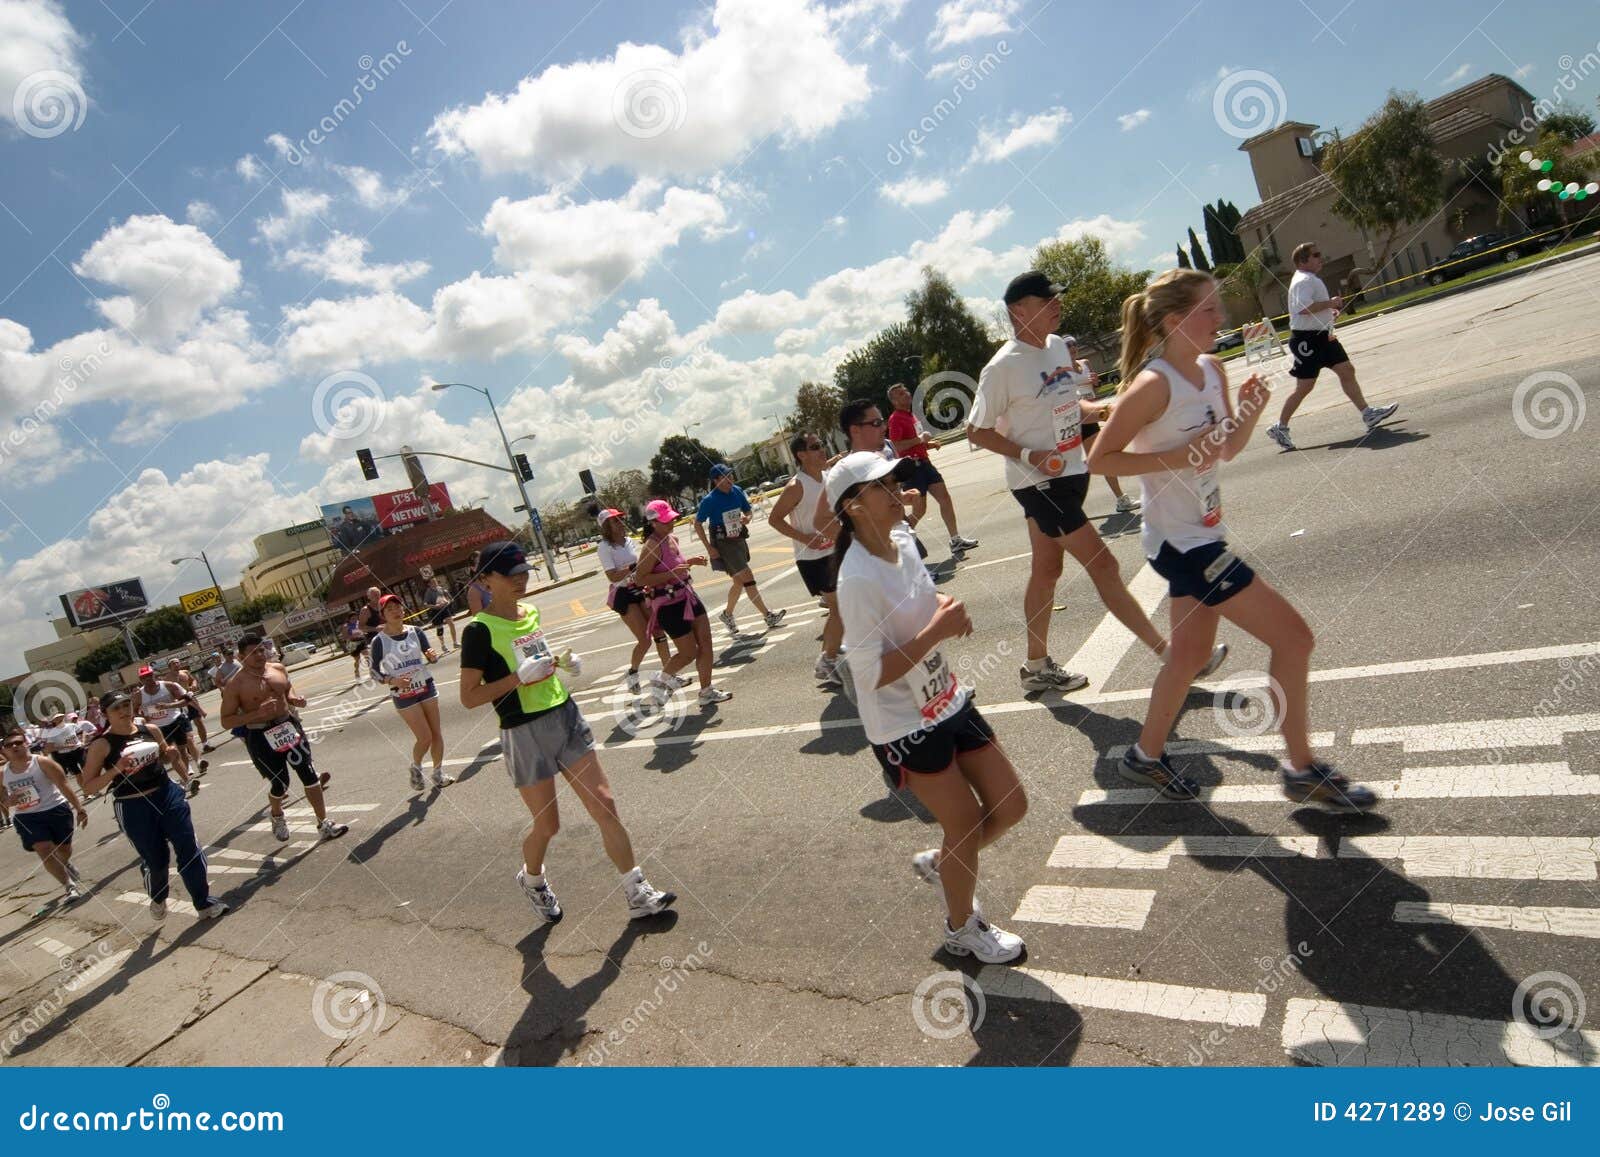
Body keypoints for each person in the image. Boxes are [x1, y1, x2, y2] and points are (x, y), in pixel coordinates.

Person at [1088, 268, 1377, 810]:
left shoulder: (1211, 369)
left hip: (1205, 529)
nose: (1221, 317)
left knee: (1189, 654)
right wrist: (1172, 457)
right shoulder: (1153, 386)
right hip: (1183, 545)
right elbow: (1099, 458)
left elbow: (1226, 449)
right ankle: (1300, 769)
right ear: (1175, 322)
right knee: (1294, 638)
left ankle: (1144, 758)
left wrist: (1250, 410)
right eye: (1209, 310)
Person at [967, 271, 1227, 694]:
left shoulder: (1055, 349)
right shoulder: (1001, 367)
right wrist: (1030, 455)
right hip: (1039, 484)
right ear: (1018, 310)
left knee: (1047, 570)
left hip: (1072, 473)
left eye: (1057, 298)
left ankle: (1035, 666)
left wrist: (1101, 409)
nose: (1057, 305)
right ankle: (1174, 657)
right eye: (1046, 300)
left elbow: (1067, 406)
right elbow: (975, 430)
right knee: (1104, 565)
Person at [827, 451, 1029, 963]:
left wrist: (943, 608)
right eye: (881, 486)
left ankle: (946, 864)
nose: (896, 489)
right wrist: (935, 631)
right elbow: (868, 675)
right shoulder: (856, 581)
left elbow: (921, 597)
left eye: (895, 479)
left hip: (946, 698)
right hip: (902, 724)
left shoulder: (900, 540)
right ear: (851, 507)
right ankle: (961, 928)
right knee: (963, 823)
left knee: (1012, 806)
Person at [458, 540, 676, 925]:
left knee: (605, 803)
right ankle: (532, 878)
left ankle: (636, 890)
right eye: (511, 575)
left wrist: (560, 663)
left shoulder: (530, 611)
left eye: (524, 572)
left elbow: (535, 659)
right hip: (524, 732)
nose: (521, 580)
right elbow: (469, 697)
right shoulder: (478, 631)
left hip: (563, 715)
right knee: (548, 825)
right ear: (487, 579)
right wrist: (515, 679)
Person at [79, 691, 228, 918]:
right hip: (133, 806)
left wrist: (170, 755)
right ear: (105, 714)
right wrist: (117, 768)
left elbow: (168, 759)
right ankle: (158, 897)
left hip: (166, 794)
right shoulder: (102, 745)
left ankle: (204, 903)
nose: (123, 711)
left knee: (189, 847)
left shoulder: (150, 730)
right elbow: (89, 787)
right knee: (157, 860)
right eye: (116, 708)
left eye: (126, 705)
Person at [1265, 242, 1398, 451]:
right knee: (1305, 387)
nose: (1320, 258)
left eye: (1319, 254)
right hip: (1307, 341)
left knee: (1347, 370)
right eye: (1315, 255)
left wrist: (1328, 314)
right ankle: (1279, 427)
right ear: (1302, 261)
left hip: (1323, 337)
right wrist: (1331, 303)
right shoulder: (1304, 280)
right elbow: (1303, 308)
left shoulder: (1309, 279)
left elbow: (1309, 309)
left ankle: (1368, 414)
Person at [220, 634, 348, 843]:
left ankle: (324, 823)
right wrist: (256, 714)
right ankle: (277, 814)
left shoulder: (277, 668)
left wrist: (294, 699)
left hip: (287, 726)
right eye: (253, 653)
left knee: (308, 773)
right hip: (260, 735)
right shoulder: (236, 684)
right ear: (241, 656)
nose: (260, 655)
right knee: (280, 784)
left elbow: (287, 688)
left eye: (261, 650)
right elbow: (226, 721)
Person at [636, 499, 734, 709]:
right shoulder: (651, 546)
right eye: (665, 521)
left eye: (671, 519)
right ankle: (661, 681)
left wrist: (690, 562)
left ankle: (706, 691)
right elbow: (640, 578)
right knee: (688, 652)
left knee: (706, 643)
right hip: (669, 605)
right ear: (653, 523)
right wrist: (672, 574)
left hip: (688, 595)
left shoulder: (672, 538)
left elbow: (675, 565)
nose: (670, 523)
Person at [768, 432, 845, 688]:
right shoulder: (796, 486)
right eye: (815, 447)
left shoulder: (825, 477)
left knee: (845, 605)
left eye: (821, 445)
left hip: (834, 550)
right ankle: (827, 660)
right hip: (814, 558)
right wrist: (805, 538)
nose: (821, 450)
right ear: (801, 455)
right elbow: (774, 519)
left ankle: (833, 651)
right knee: (840, 607)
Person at [368, 595, 454, 792]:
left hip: (425, 685)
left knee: (436, 733)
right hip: (403, 693)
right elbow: (374, 672)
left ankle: (438, 773)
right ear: (383, 615)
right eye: (390, 609)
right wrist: (392, 680)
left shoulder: (416, 631)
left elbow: (430, 655)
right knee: (424, 737)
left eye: (398, 607)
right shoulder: (379, 641)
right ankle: (415, 767)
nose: (396, 611)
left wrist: (432, 656)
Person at [885, 383, 981, 553]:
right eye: (900, 394)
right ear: (894, 401)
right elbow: (897, 446)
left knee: (945, 498)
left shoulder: (911, 415)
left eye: (906, 391)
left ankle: (955, 540)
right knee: (920, 510)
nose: (906, 394)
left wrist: (928, 444)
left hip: (925, 464)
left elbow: (916, 441)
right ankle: (899, 542)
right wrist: (920, 440)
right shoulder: (895, 419)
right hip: (912, 469)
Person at [695, 464, 785, 635]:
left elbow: (748, 510)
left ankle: (727, 614)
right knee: (747, 577)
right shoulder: (709, 500)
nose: (730, 479)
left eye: (731, 476)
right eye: (725, 477)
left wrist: (747, 518)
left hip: (739, 538)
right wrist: (709, 548)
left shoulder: (736, 490)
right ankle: (767, 615)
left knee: (738, 582)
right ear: (716, 481)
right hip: (723, 542)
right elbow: (697, 523)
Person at [3, 725, 88, 905]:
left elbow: (64, 784)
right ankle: (68, 885)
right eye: (9, 745)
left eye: (18, 742)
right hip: (28, 817)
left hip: (56, 809)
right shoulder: (3, 773)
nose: (15, 747)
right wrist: (9, 801)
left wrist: (79, 808)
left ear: (26, 743)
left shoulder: (42, 762)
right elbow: (2, 798)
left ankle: (65, 864)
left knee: (64, 849)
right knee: (44, 849)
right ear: (4, 751)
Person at [837, 398, 930, 561]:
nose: (884, 427)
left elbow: (887, 494)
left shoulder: (888, 447)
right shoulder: (846, 472)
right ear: (855, 430)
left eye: (882, 421)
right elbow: (828, 520)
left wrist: (903, 499)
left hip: (898, 531)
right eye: (876, 423)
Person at [597, 508, 673, 694]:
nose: (620, 522)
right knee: (645, 640)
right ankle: (632, 672)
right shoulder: (605, 547)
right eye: (615, 521)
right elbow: (612, 576)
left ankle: (669, 675)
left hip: (639, 588)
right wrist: (634, 567)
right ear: (607, 526)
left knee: (659, 632)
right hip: (623, 594)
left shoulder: (629, 541)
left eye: (620, 518)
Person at [1064, 335, 1139, 516]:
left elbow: (1095, 390)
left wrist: (1095, 382)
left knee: (1097, 458)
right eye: (1067, 345)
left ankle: (1068, 505)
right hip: (1074, 417)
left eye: (1074, 343)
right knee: (1097, 459)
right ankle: (1067, 505)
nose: (1073, 347)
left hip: (1092, 415)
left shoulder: (1086, 363)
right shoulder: (1060, 371)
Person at [132, 665, 201, 795]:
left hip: (176, 720)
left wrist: (168, 705)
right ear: (140, 680)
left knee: (182, 751)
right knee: (172, 753)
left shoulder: (169, 686)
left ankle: (186, 776)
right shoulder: (138, 695)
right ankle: (187, 780)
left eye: (149, 675)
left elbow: (186, 700)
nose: (148, 679)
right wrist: (143, 716)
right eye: (144, 677)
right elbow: (134, 712)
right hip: (158, 728)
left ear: (154, 675)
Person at [169, 661, 213, 755]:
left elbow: (193, 680)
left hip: (190, 698)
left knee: (199, 722)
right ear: (170, 666)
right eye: (173, 663)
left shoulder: (185, 672)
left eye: (177, 663)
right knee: (185, 728)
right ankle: (189, 747)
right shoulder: (167, 678)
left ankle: (205, 744)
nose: (176, 664)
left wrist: (193, 684)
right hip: (180, 703)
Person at [38, 712, 86, 784]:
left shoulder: (71, 725)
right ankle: (86, 792)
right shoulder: (52, 733)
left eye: (60, 716)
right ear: (53, 721)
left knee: (87, 769)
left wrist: (83, 741)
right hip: (66, 754)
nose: (59, 719)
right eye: (56, 718)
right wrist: (66, 747)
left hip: (78, 750)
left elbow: (82, 731)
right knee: (77, 773)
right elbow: (49, 748)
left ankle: (93, 789)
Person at [422, 575, 458, 652]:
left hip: (445, 609)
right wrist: (435, 606)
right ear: (429, 584)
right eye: (433, 582)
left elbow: (449, 598)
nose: (435, 583)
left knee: (451, 624)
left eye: (435, 581)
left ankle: (455, 643)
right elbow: (425, 604)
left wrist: (448, 601)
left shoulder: (440, 589)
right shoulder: (428, 592)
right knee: (440, 629)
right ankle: (443, 645)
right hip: (435, 611)